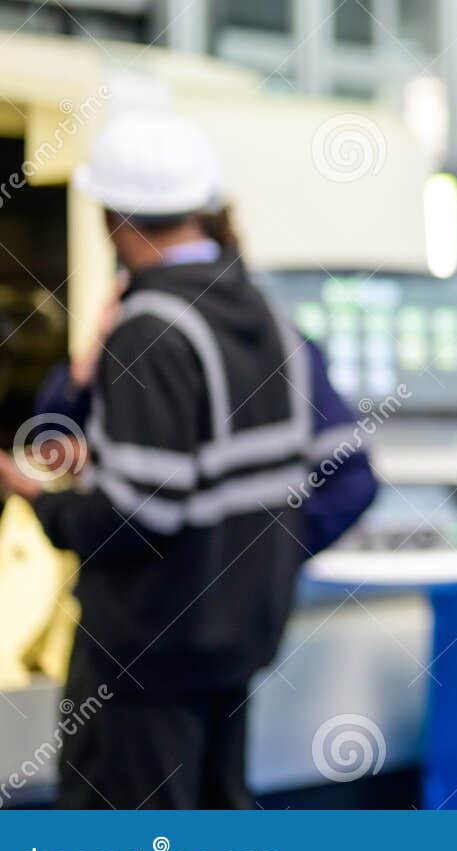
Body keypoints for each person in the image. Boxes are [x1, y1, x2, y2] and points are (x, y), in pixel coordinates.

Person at [0, 105, 376, 808]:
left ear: (112, 218)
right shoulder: (269, 316)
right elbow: (349, 476)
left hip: (143, 661)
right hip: (236, 644)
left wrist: (37, 497)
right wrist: (253, 558)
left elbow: (138, 515)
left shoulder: (148, 330)